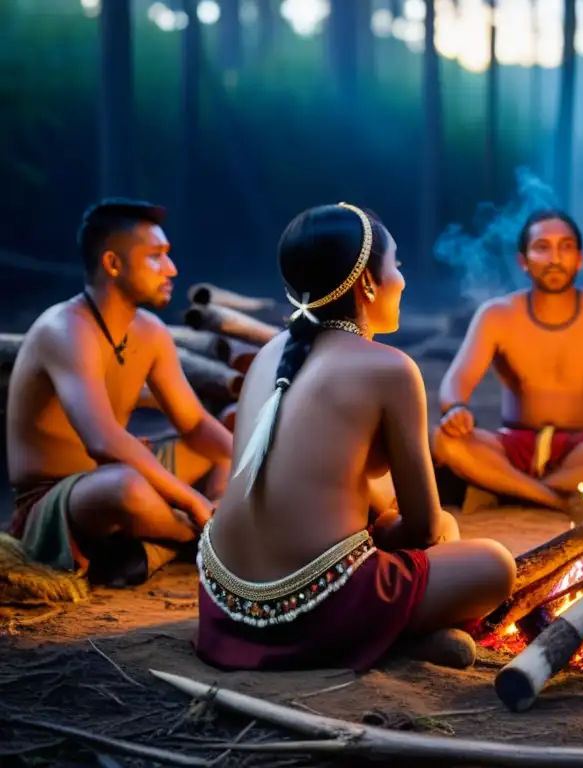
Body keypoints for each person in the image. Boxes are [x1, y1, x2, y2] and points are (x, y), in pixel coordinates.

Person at [194, 202, 515, 672]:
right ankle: (395, 635)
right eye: (397, 266)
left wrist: (380, 529)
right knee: (490, 562)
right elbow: (425, 528)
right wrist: (405, 535)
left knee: (387, 512)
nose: (402, 280)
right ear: (367, 282)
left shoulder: (269, 354)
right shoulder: (391, 369)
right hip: (310, 609)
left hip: (223, 604)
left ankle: (398, 633)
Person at [5, 198, 232, 586]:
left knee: (224, 443)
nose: (171, 269)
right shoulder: (65, 329)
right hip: (58, 497)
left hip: (122, 468)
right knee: (125, 488)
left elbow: (194, 423)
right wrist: (193, 501)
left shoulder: (151, 331)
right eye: (156, 256)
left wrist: (250, 461)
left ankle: (153, 547)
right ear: (113, 264)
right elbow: (102, 440)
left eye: (169, 256)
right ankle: (207, 537)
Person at [432, 209, 583, 512]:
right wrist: (456, 409)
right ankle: (553, 499)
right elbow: (457, 382)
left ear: (579, 258)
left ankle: (507, 488)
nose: (555, 258)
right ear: (523, 260)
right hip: (513, 447)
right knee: (444, 441)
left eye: (565, 247)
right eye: (542, 247)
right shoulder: (497, 315)